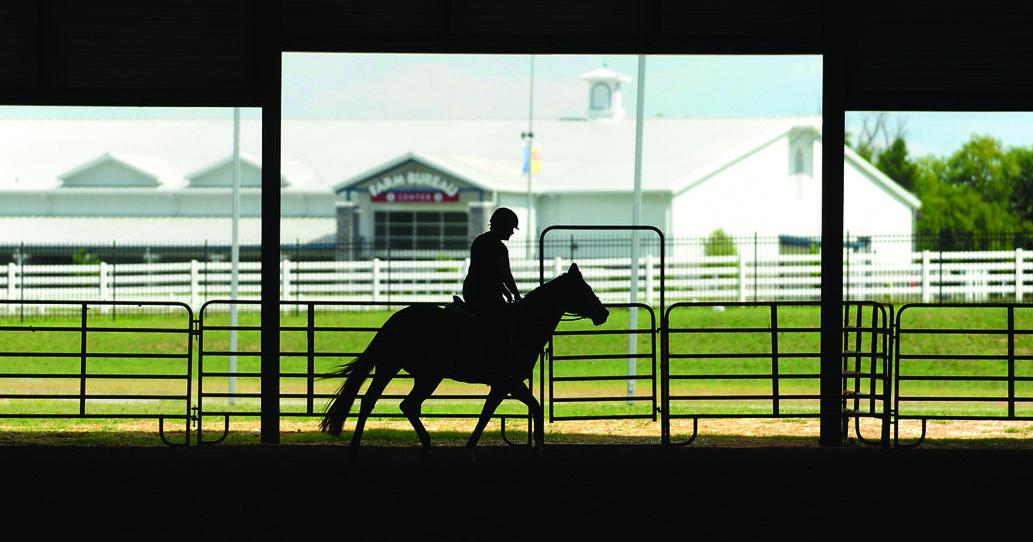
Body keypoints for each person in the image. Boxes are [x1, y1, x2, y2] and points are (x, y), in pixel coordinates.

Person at [462, 207, 521, 320]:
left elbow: (488, 272)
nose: (512, 232)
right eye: (511, 228)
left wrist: (506, 291)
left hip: (471, 290)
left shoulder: (479, 240)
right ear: (503, 226)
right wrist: (516, 294)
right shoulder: (500, 248)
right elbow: (506, 275)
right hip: (488, 295)